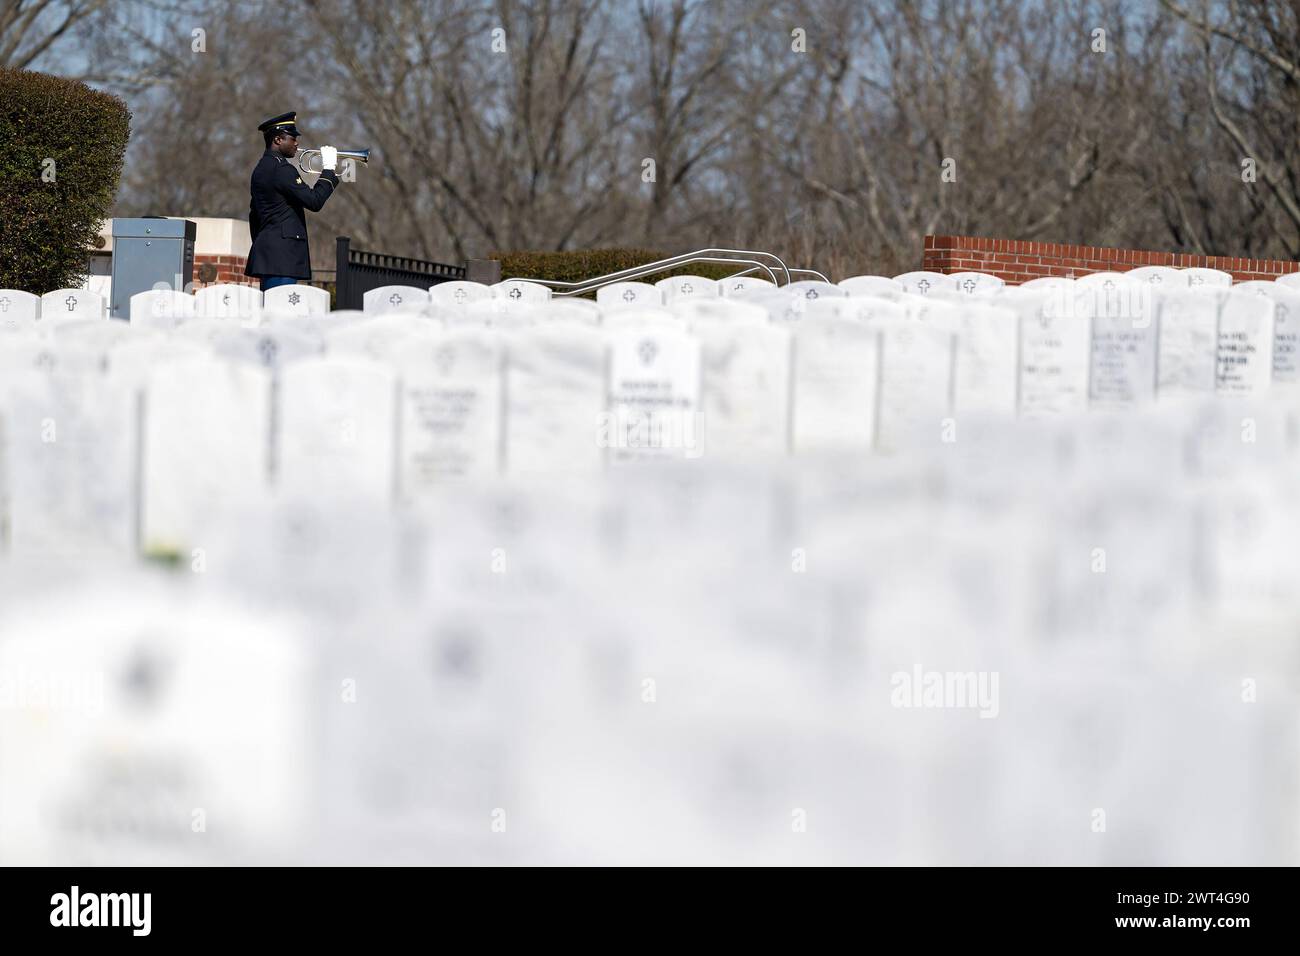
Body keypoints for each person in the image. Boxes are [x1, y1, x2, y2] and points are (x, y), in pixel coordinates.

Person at [245, 111, 339, 292]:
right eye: (292, 138)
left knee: (272, 311)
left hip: (270, 253)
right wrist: (328, 169)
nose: (296, 142)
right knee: (280, 312)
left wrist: (265, 242)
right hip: (282, 256)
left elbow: (254, 215)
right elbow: (314, 201)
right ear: (278, 140)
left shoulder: (261, 168)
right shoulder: (282, 170)